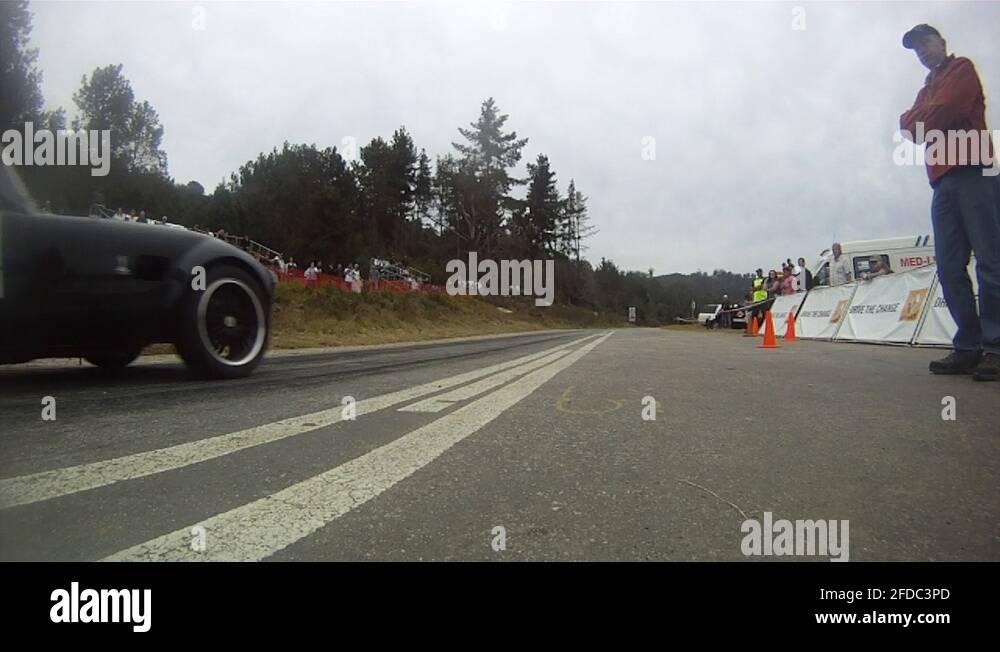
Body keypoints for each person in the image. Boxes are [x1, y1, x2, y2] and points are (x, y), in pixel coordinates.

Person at [900, 24, 999, 380]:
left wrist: (923, 118)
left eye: (926, 43)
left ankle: (995, 347)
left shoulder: (962, 69)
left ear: (942, 42)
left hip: (975, 171)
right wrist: (925, 117)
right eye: (917, 50)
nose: (923, 52)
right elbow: (908, 128)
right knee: (949, 266)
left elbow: (943, 112)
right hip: (942, 182)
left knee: (990, 260)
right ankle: (968, 347)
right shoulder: (926, 88)